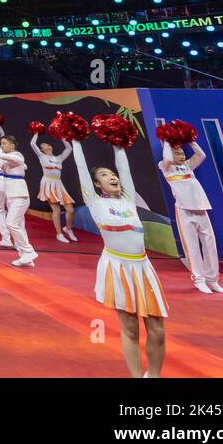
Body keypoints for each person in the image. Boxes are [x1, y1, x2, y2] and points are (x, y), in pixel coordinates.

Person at [70, 136, 167, 377]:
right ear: (96, 184)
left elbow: (124, 170)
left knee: (157, 331)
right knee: (131, 329)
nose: (112, 177)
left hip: (143, 269)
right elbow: (81, 169)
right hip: (117, 268)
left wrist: (118, 144)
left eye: (112, 174)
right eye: (104, 175)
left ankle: (153, 375)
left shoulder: (128, 200)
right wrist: (75, 142)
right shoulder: (94, 202)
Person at [159, 140, 223, 294]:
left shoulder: (188, 166)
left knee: (210, 245)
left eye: (182, 153)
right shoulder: (165, 167)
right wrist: (167, 140)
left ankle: (213, 280)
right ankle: (199, 280)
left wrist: (191, 140)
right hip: (184, 210)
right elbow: (168, 158)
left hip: (201, 209)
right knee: (192, 247)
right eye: (177, 153)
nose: (181, 155)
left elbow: (202, 155)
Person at [0, 136, 38, 267]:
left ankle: (29, 251)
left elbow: (14, 159)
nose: (2, 146)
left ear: (13, 145)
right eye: (1, 143)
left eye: (4, 144)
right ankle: (25, 255)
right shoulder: (6, 159)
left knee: (11, 223)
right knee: (18, 225)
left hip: (20, 196)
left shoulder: (17, 155)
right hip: (12, 196)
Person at [30, 132, 77, 243]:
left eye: (47, 143)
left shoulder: (59, 158)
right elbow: (32, 144)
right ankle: (59, 234)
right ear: (42, 149)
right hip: (48, 184)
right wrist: (36, 132)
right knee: (56, 210)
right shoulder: (42, 156)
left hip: (59, 185)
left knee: (70, 210)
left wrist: (62, 136)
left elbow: (69, 148)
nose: (47, 144)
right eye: (44, 145)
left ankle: (68, 229)